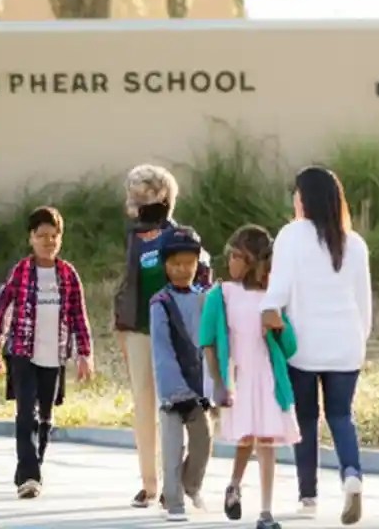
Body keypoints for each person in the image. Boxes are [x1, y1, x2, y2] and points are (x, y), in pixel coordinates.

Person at [260, 166, 372, 525]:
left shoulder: (291, 235)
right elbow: (364, 302)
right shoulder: (353, 242)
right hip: (346, 346)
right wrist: (359, 340)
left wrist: (266, 313)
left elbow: (279, 289)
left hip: (303, 347)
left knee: (305, 419)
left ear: (303, 197)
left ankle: (308, 495)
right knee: (341, 416)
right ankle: (352, 475)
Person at [114, 164, 213, 509]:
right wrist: (121, 325)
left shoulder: (180, 237)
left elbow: (203, 279)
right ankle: (150, 483)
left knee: (179, 404)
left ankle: (182, 479)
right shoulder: (134, 238)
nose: (135, 203)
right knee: (144, 404)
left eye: (142, 196)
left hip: (179, 331)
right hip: (140, 328)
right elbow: (128, 283)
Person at [0, 206, 95, 499]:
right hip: (23, 351)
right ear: (31, 238)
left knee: (45, 417)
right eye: (42, 236)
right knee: (26, 414)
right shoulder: (23, 270)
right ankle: (31, 475)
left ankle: (30, 466)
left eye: (53, 236)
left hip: (54, 355)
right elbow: (3, 301)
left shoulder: (68, 275)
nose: (48, 241)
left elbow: (78, 316)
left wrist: (85, 354)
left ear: (60, 239)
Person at [200, 225, 299, 529]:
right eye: (230, 256)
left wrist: (279, 327)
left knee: (266, 439)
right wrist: (218, 382)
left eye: (238, 257)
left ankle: (267, 512)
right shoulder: (222, 294)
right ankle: (234, 485)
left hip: (268, 378)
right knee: (246, 438)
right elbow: (207, 341)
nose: (230, 262)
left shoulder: (272, 296)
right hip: (239, 378)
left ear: (254, 261)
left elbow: (290, 348)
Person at [149, 226, 214, 523]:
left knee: (203, 440)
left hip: (198, 388)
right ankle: (173, 503)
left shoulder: (204, 298)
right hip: (173, 392)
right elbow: (162, 351)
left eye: (189, 263)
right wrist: (175, 392)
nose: (182, 269)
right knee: (173, 448)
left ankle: (190, 486)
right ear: (165, 265)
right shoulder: (160, 303)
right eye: (175, 264)